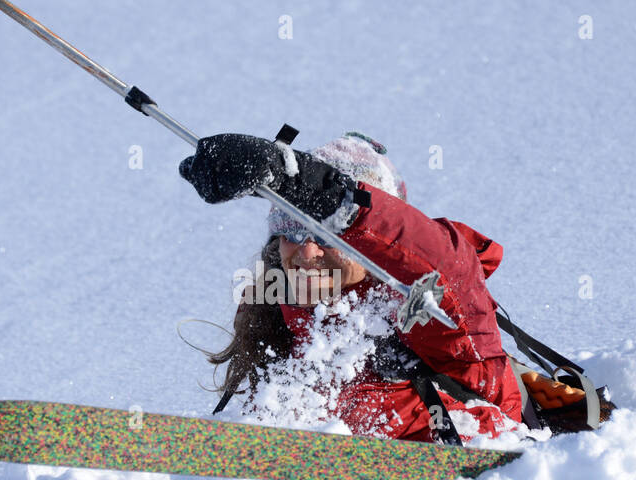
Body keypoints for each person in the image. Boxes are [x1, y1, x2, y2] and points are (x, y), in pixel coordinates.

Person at [180, 131, 524, 444]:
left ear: (372, 242)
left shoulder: (434, 312)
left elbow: (442, 262)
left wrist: (334, 198)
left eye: (325, 237)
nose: (306, 252)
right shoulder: (277, 319)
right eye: (293, 233)